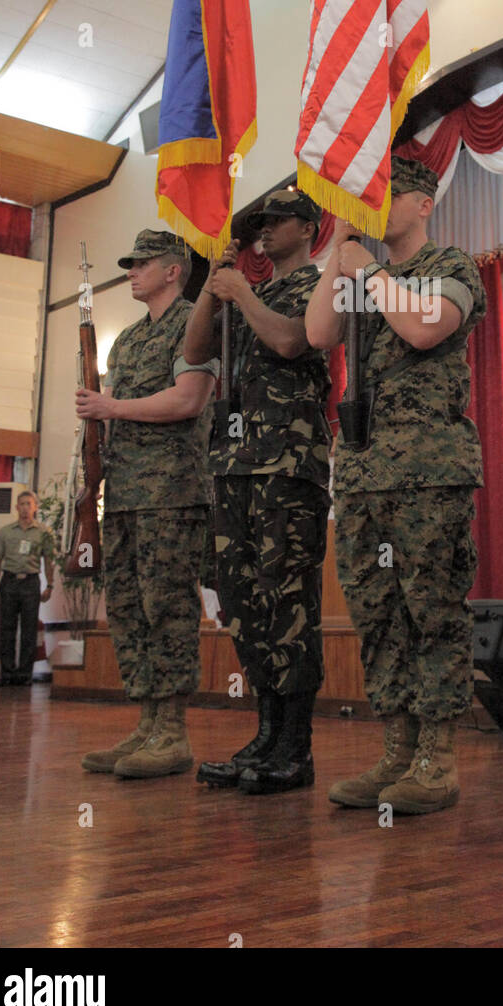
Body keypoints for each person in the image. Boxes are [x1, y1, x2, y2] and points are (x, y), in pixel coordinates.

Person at [306, 156, 486, 816]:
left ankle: (437, 757)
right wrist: (340, 251)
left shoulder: (452, 266)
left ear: (421, 204)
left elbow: (424, 326)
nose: (374, 205)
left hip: (428, 471)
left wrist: (369, 270)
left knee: (430, 609)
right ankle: (397, 748)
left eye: (386, 194)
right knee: (376, 612)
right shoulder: (359, 270)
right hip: (360, 469)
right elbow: (316, 334)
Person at [184, 189, 332, 795]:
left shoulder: (317, 286)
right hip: (235, 463)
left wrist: (241, 292)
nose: (264, 233)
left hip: (287, 462)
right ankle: (266, 734)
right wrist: (213, 285)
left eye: (275, 222)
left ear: (307, 226)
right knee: (244, 602)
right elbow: (193, 354)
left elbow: (293, 342)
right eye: (257, 226)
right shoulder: (245, 290)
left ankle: (295, 747)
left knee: (287, 597)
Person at [76, 230, 218, 779]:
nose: (131, 272)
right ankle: (146, 722)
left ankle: (173, 731)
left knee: (169, 609)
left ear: (173, 270)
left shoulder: (193, 325)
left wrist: (110, 405)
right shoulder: (129, 340)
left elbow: (188, 399)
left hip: (172, 493)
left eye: (142, 264)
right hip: (127, 494)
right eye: (130, 265)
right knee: (130, 610)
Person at [0, 491, 54, 686]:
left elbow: (49, 561)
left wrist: (50, 585)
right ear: (16, 508)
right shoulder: (5, 532)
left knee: (29, 630)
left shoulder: (43, 532)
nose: (25, 508)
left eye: (29, 504)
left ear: (35, 507)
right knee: (6, 629)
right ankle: (7, 674)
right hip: (8, 581)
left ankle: (25, 675)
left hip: (30, 582)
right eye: (22, 504)